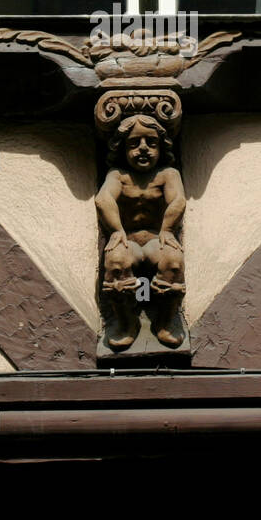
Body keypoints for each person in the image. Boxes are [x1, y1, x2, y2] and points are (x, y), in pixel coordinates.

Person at [95, 114, 186, 349]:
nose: (143, 149)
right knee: (116, 262)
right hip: (130, 241)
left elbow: (178, 200)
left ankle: (164, 322)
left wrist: (167, 230)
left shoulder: (168, 174)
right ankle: (127, 323)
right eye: (134, 143)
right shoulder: (117, 175)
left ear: (161, 147)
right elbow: (104, 199)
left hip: (157, 239)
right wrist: (116, 231)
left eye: (151, 143)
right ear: (122, 148)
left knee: (173, 262)